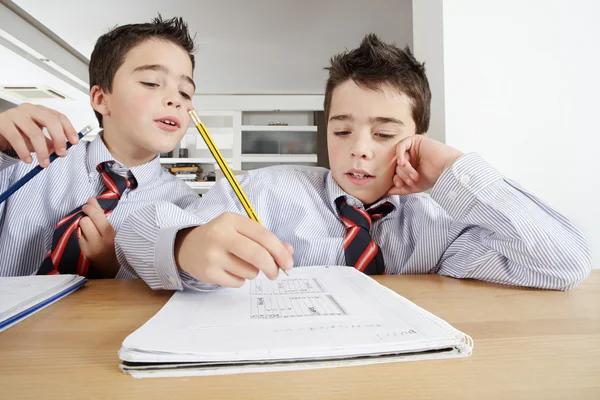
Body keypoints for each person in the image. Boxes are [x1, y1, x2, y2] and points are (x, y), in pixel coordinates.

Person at [116, 34, 591, 291]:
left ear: (417, 141)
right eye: (341, 131)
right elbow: (137, 231)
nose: (358, 148)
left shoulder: (441, 223)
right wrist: (183, 245)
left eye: (384, 134)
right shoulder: (265, 192)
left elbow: (564, 263)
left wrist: (455, 170)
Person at [0, 16, 200, 278]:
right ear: (101, 99)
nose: (176, 99)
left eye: (185, 92)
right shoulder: (26, 160)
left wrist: (116, 270)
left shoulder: (185, 208)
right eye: (152, 82)